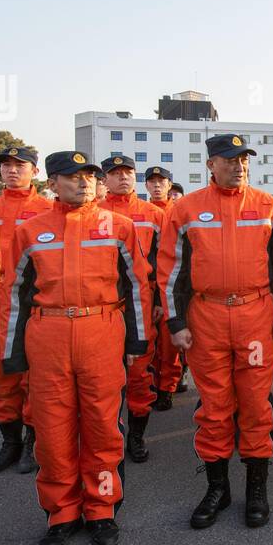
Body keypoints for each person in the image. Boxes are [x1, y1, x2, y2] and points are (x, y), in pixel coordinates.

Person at [2, 151, 151, 545]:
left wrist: (138, 341)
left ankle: (102, 508)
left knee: (103, 427)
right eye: (72, 176)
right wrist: (12, 353)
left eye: (89, 175)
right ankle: (61, 513)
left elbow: (137, 286)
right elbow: (14, 294)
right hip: (47, 334)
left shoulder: (119, 227)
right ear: (52, 183)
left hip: (100, 330)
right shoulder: (31, 231)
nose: (84, 182)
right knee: (52, 431)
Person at [160, 134, 273, 529]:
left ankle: (257, 488)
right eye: (229, 159)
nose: (238, 166)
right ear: (210, 165)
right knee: (215, 408)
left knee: (256, 405)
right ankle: (217, 490)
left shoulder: (266, 205)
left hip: (256, 315)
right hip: (207, 318)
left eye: (243, 159)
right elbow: (171, 273)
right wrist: (176, 322)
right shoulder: (185, 210)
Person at [0, 146, 48, 477]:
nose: (11, 170)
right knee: (0, 373)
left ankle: (33, 441)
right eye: (5, 165)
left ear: (34, 171)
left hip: (30, 302)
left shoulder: (47, 209)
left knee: (32, 375)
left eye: (19, 165)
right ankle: (10, 443)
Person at [100, 154, 168, 462]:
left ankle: (137, 437)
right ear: (105, 180)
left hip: (142, 301)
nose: (123, 178)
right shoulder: (94, 214)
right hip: (103, 306)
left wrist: (158, 302)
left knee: (140, 373)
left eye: (128, 172)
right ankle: (107, 438)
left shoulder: (153, 214)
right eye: (116, 173)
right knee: (102, 378)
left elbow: (166, 262)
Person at [144, 165, 181, 409]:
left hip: (172, 284)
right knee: (148, 341)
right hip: (144, 286)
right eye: (152, 182)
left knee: (169, 343)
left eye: (162, 182)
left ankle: (167, 386)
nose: (157, 186)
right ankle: (150, 383)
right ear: (146, 185)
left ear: (169, 185)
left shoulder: (179, 211)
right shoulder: (143, 212)